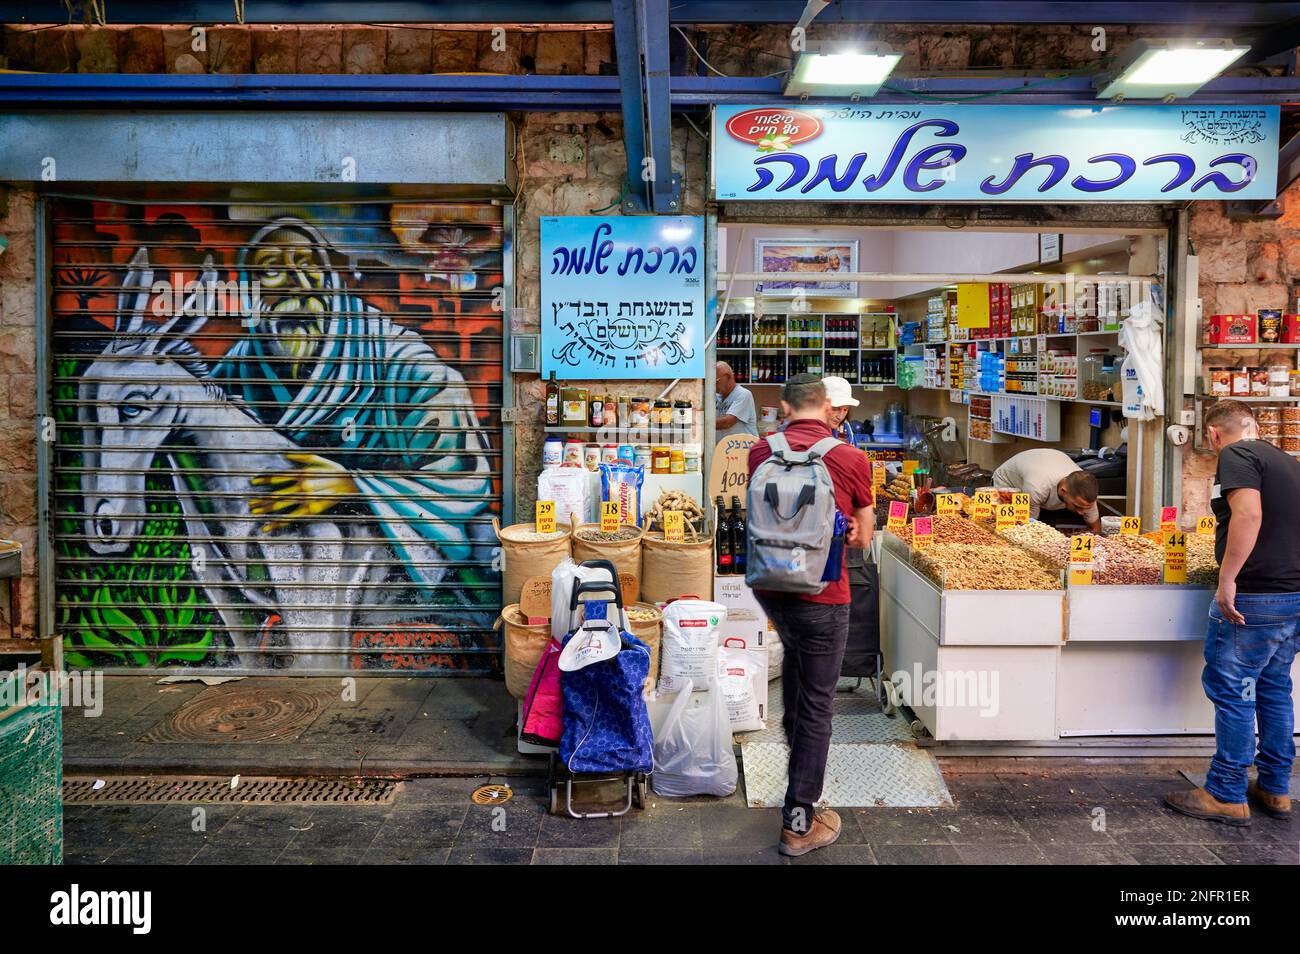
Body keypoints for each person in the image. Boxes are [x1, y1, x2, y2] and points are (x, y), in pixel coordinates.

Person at [210, 218, 495, 597]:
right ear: (251, 295)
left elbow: (462, 482)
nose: (298, 283)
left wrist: (351, 484)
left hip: (386, 583)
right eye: (273, 270)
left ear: (329, 279)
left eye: (307, 265)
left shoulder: (405, 366)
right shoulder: (239, 369)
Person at [748, 374, 874, 856]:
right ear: (827, 407)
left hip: (770, 590)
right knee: (818, 704)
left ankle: (797, 792)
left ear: (783, 406)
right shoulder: (849, 457)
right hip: (822, 596)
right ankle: (799, 821)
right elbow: (863, 536)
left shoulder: (761, 451)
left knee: (799, 688)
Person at [1165, 400, 1298, 825]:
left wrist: (1228, 580)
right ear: (1256, 426)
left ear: (1213, 436)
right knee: (1274, 687)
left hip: (1254, 596)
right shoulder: (1288, 461)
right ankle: (1277, 790)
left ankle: (1225, 792)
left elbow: (1249, 513)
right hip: (1292, 594)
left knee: (1234, 690)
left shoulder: (1236, 455)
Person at [990, 447, 1101, 532]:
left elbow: (1095, 525)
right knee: (1005, 525)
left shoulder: (1085, 492)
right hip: (1009, 482)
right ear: (1064, 491)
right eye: (1077, 506)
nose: (1081, 512)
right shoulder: (1037, 487)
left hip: (1045, 472)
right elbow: (1027, 525)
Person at [715, 360, 758, 440]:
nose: (714, 385)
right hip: (724, 450)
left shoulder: (743, 394)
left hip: (743, 450)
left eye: (716, 381)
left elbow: (727, 422)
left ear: (727, 377)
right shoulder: (716, 397)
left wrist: (702, 423)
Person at [823, 375, 860, 447]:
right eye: (835, 409)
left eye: (845, 410)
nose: (840, 416)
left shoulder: (845, 428)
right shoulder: (806, 429)